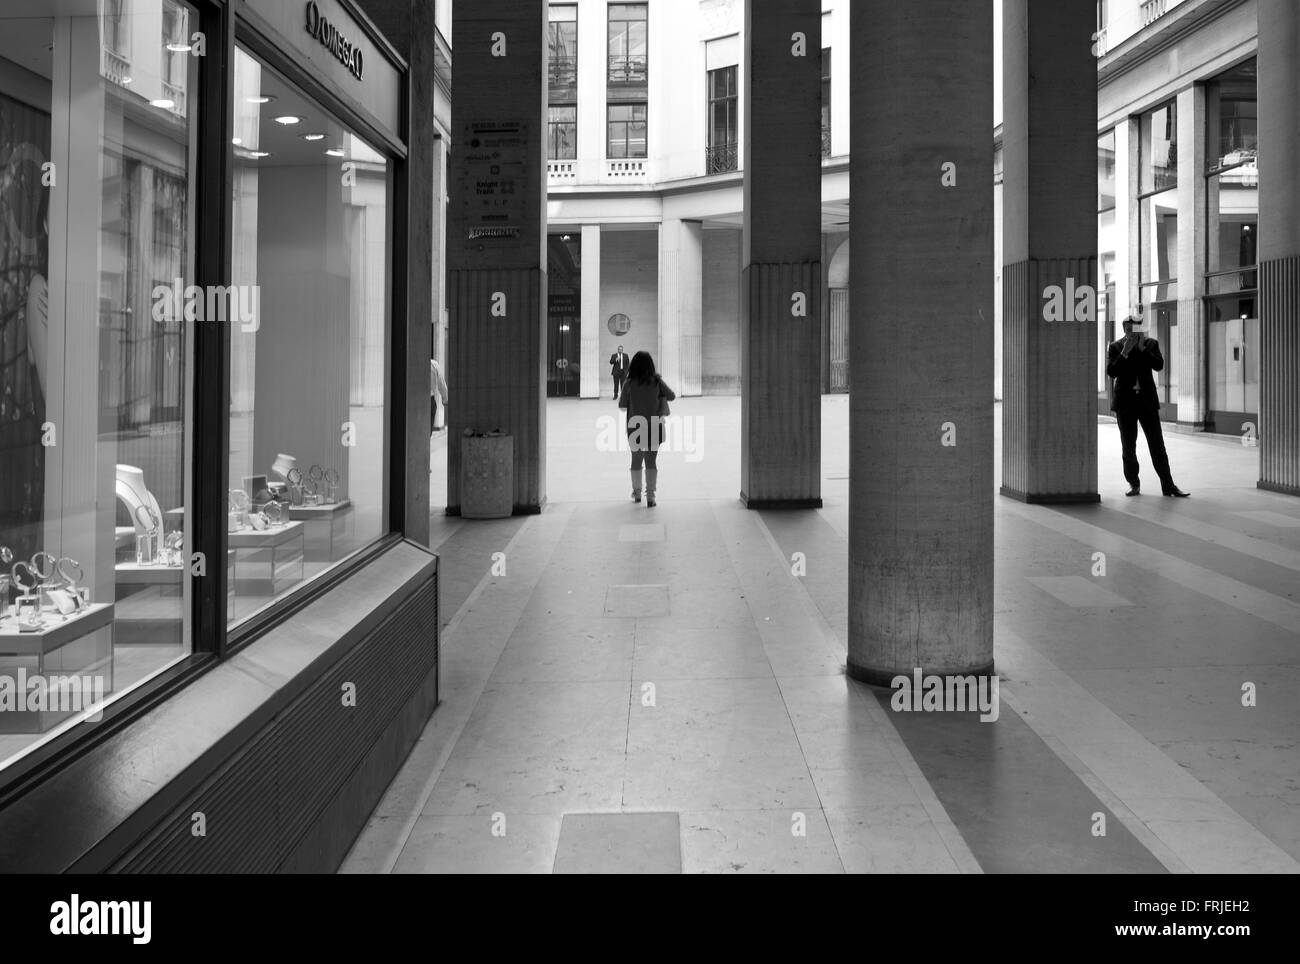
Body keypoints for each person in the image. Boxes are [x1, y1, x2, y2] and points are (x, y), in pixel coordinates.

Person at [1106, 315, 1188, 498]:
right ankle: (1133, 484)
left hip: (1147, 402)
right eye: (1129, 330)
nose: (1132, 334)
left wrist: (1142, 349)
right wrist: (1124, 353)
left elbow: (1159, 365)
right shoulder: (1116, 347)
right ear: (1124, 330)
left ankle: (1168, 486)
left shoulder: (1151, 344)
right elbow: (1111, 372)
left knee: (1157, 445)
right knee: (1128, 446)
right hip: (1125, 404)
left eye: (1136, 330)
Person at [618, 351, 675, 507]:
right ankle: (650, 497)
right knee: (651, 462)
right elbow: (672, 396)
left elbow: (622, 406)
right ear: (650, 366)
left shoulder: (628, 384)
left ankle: (637, 493)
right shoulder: (657, 382)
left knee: (636, 461)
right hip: (654, 427)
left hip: (635, 427)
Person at [430, 357, 448, 433]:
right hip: (430, 400)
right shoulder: (434, 364)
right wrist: (445, 399)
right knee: (428, 430)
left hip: (414, 400)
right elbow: (441, 383)